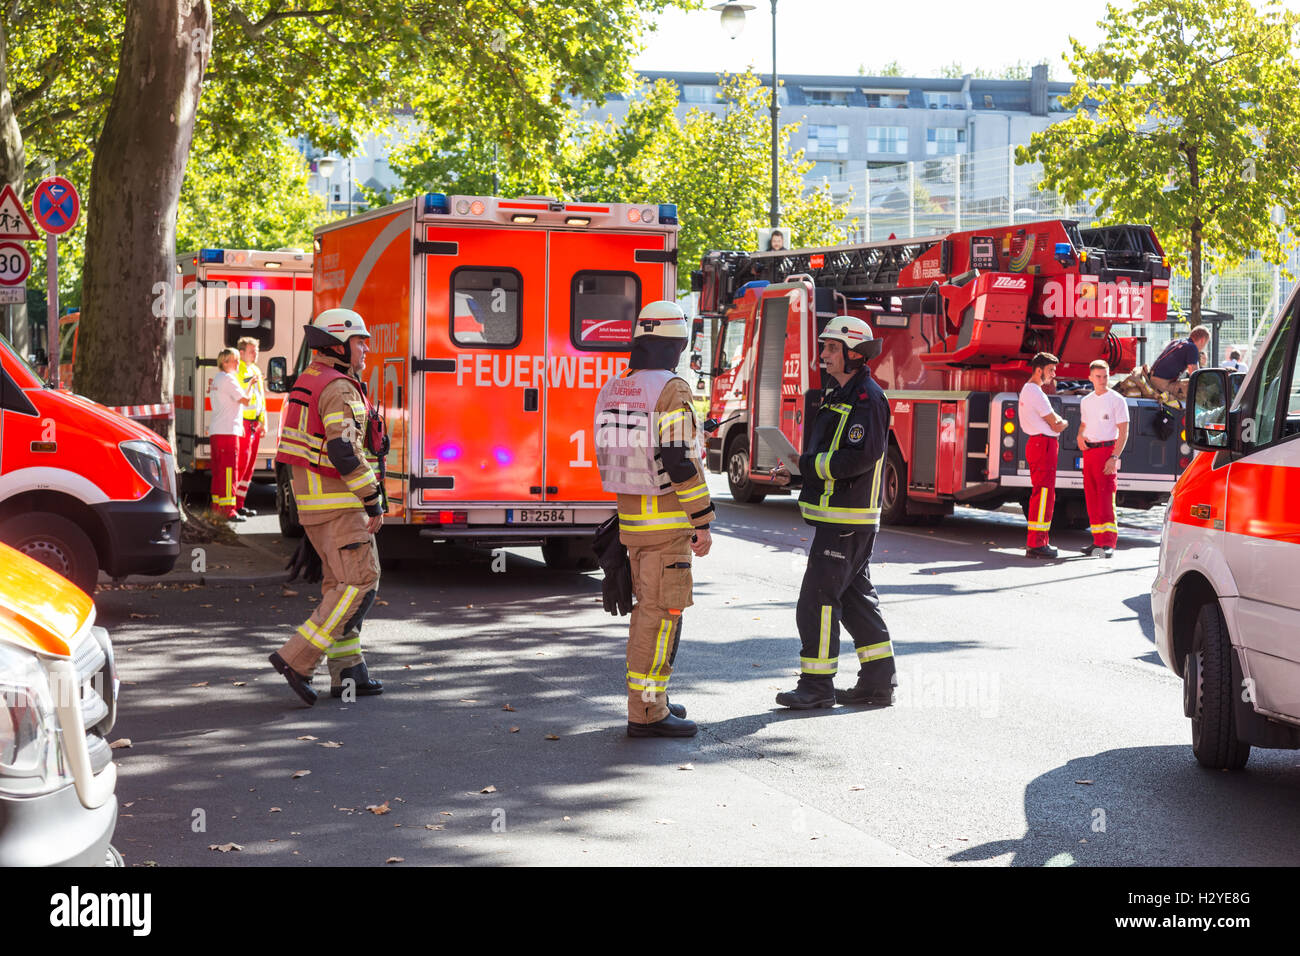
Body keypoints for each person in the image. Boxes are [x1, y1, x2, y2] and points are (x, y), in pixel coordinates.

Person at [593, 300, 714, 738]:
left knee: (649, 614)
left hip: (633, 523)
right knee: (660, 616)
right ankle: (647, 712)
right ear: (675, 344)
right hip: (666, 526)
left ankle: (653, 700)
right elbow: (679, 461)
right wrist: (702, 518)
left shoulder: (615, 387)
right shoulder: (672, 389)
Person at [769, 316, 898, 708]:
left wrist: (807, 466)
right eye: (823, 347)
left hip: (846, 520)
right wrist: (796, 472)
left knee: (818, 600)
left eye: (830, 348)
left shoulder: (867, 399)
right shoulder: (838, 393)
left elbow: (858, 457)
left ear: (853, 354)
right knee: (856, 601)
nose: (822, 355)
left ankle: (816, 686)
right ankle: (878, 682)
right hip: (838, 517)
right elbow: (828, 456)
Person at [268, 309, 386, 707]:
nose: (366, 348)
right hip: (340, 505)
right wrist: (373, 498)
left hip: (317, 506)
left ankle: (349, 670)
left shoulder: (310, 379)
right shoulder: (339, 388)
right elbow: (343, 451)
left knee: (340, 583)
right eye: (359, 341)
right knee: (359, 582)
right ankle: (297, 659)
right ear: (338, 345)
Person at [1077, 359, 1129, 558]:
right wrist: (1079, 435)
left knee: (1107, 498)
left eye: (1105, 376)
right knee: (1092, 499)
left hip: (1107, 451)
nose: (1102, 380)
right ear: (1090, 378)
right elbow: (1084, 424)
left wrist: (1114, 457)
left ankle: (1108, 544)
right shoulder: (1086, 401)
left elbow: (1124, 432)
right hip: (1089, 453)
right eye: (1098, 376)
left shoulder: (1117, 400)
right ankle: (1097, 541)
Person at [1019, 352, 1068, 559]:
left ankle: (1038, 541)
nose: (1053, 374)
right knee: (1044, 494)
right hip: (1043, 444)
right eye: (1050, 370)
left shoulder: (1029, 390)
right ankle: (1037, 543)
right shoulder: (1036, 392)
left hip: (1039, 444)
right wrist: (1063, 423)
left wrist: (1058, 422)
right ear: (1039, 370)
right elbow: (1056, 423)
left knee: (1042, 492)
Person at [208, 348, 250, 522]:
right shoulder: (229, 379)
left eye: (238, 360)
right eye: (234, 360)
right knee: (229, 472)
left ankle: (217, 507)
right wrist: (252, 385)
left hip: (217, 430)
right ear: (224, 362)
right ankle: (228, 510)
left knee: (218, 472)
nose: (237, 363)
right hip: (228, 431)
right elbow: (245, 400)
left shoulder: (218, 378)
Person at [234, 336, 267, 517]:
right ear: (241, 353)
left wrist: (264, 421)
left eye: (257, 351)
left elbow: (261, 398)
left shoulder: (255, 369)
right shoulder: (239, 370)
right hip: (244, 423)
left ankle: (240, 504)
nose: (256, 354)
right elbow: (241, 393)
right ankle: (233, 506)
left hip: (255, 424)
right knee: (241, 464)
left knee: (250, 466)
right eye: (252, 351)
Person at [1149, 325, 1209, 398]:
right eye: (1206, 343)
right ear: (1202, 340)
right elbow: (1194, 374)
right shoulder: (1192, 348)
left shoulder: (1178, 342)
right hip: (1162, 384)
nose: (1203, 347)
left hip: (1152, 378)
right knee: (1200, 387)